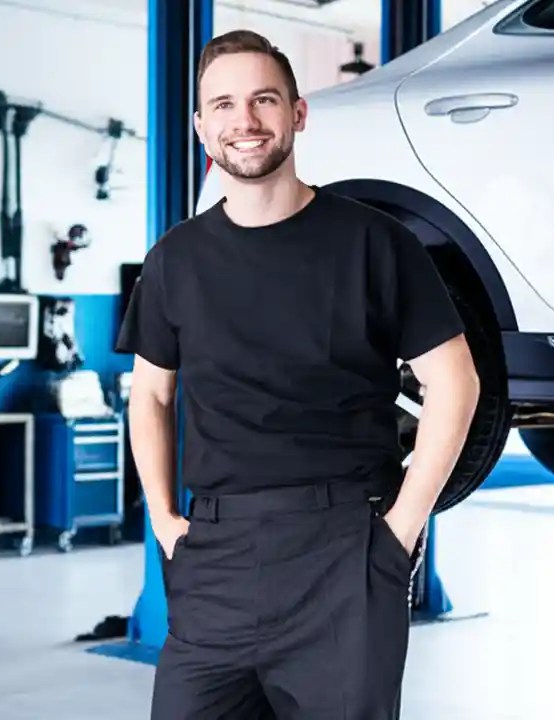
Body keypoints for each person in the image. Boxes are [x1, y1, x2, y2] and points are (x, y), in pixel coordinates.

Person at [117, 29, 482, 720]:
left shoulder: (374, 242)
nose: (244, 121)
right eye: (222, 105)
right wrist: (164, 519)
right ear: (201, 127)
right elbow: (152, 393)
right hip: (215, 555)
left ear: (298, 113)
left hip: (344, 553)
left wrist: (403, 526)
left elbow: (456, 380)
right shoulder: (176, 260)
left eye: (263, 99)